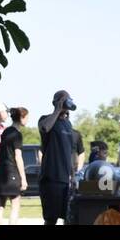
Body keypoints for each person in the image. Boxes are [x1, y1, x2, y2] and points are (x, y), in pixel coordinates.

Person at [37, 90, 78, 225]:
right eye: (64, 100)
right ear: (55, 102)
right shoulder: (45, 119)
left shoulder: (68, 124)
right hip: (51, 177)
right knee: (51, 218)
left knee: (68, 216)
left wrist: (73, 175)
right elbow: (44, 128)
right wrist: (58, 110)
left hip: (65, 179)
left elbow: (71, 151)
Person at [0, 107, 28, 223]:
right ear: (22, 117)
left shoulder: (5, 132)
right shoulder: (17, 134)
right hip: (12, 172)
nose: (27, 120)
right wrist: (23, 179)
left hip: (1, 171)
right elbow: (18, 157)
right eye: (27, 117)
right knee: (15, 206)